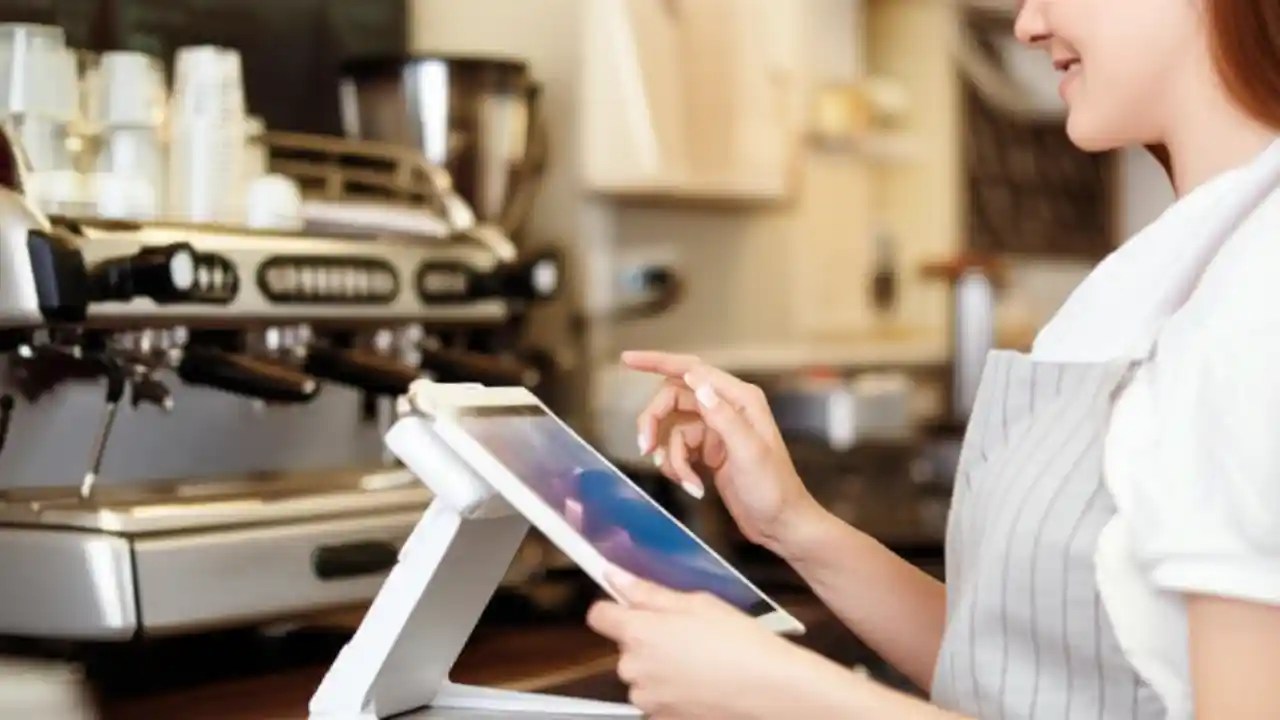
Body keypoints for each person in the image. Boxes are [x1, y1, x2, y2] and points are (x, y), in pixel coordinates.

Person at [585, 0, 1280, 717]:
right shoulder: (1181, 265)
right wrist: (793, 524)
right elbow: (1022, 669)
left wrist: (786, 695)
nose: (1028, 24)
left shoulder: (1261, 293)